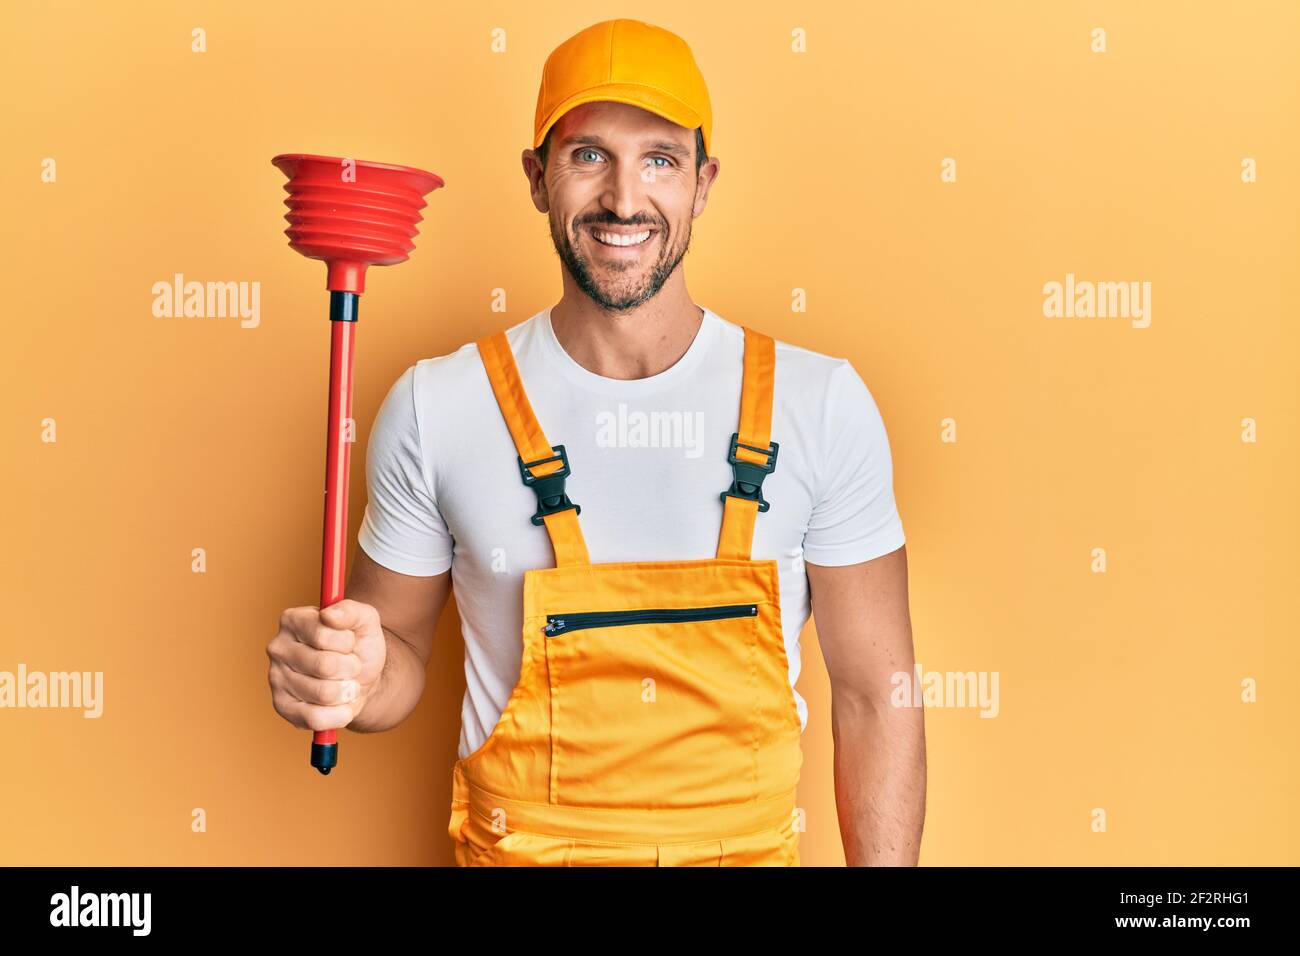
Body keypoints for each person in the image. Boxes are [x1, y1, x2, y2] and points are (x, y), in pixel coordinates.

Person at [267, 18, 925, 866]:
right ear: (538, 179)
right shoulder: (440, 405)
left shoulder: (818, 403)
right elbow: (393, 663)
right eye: (587, 156)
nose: (623, 198)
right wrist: (346, 677)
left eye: (660, 158)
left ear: (703, 182)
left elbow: (878, 698)